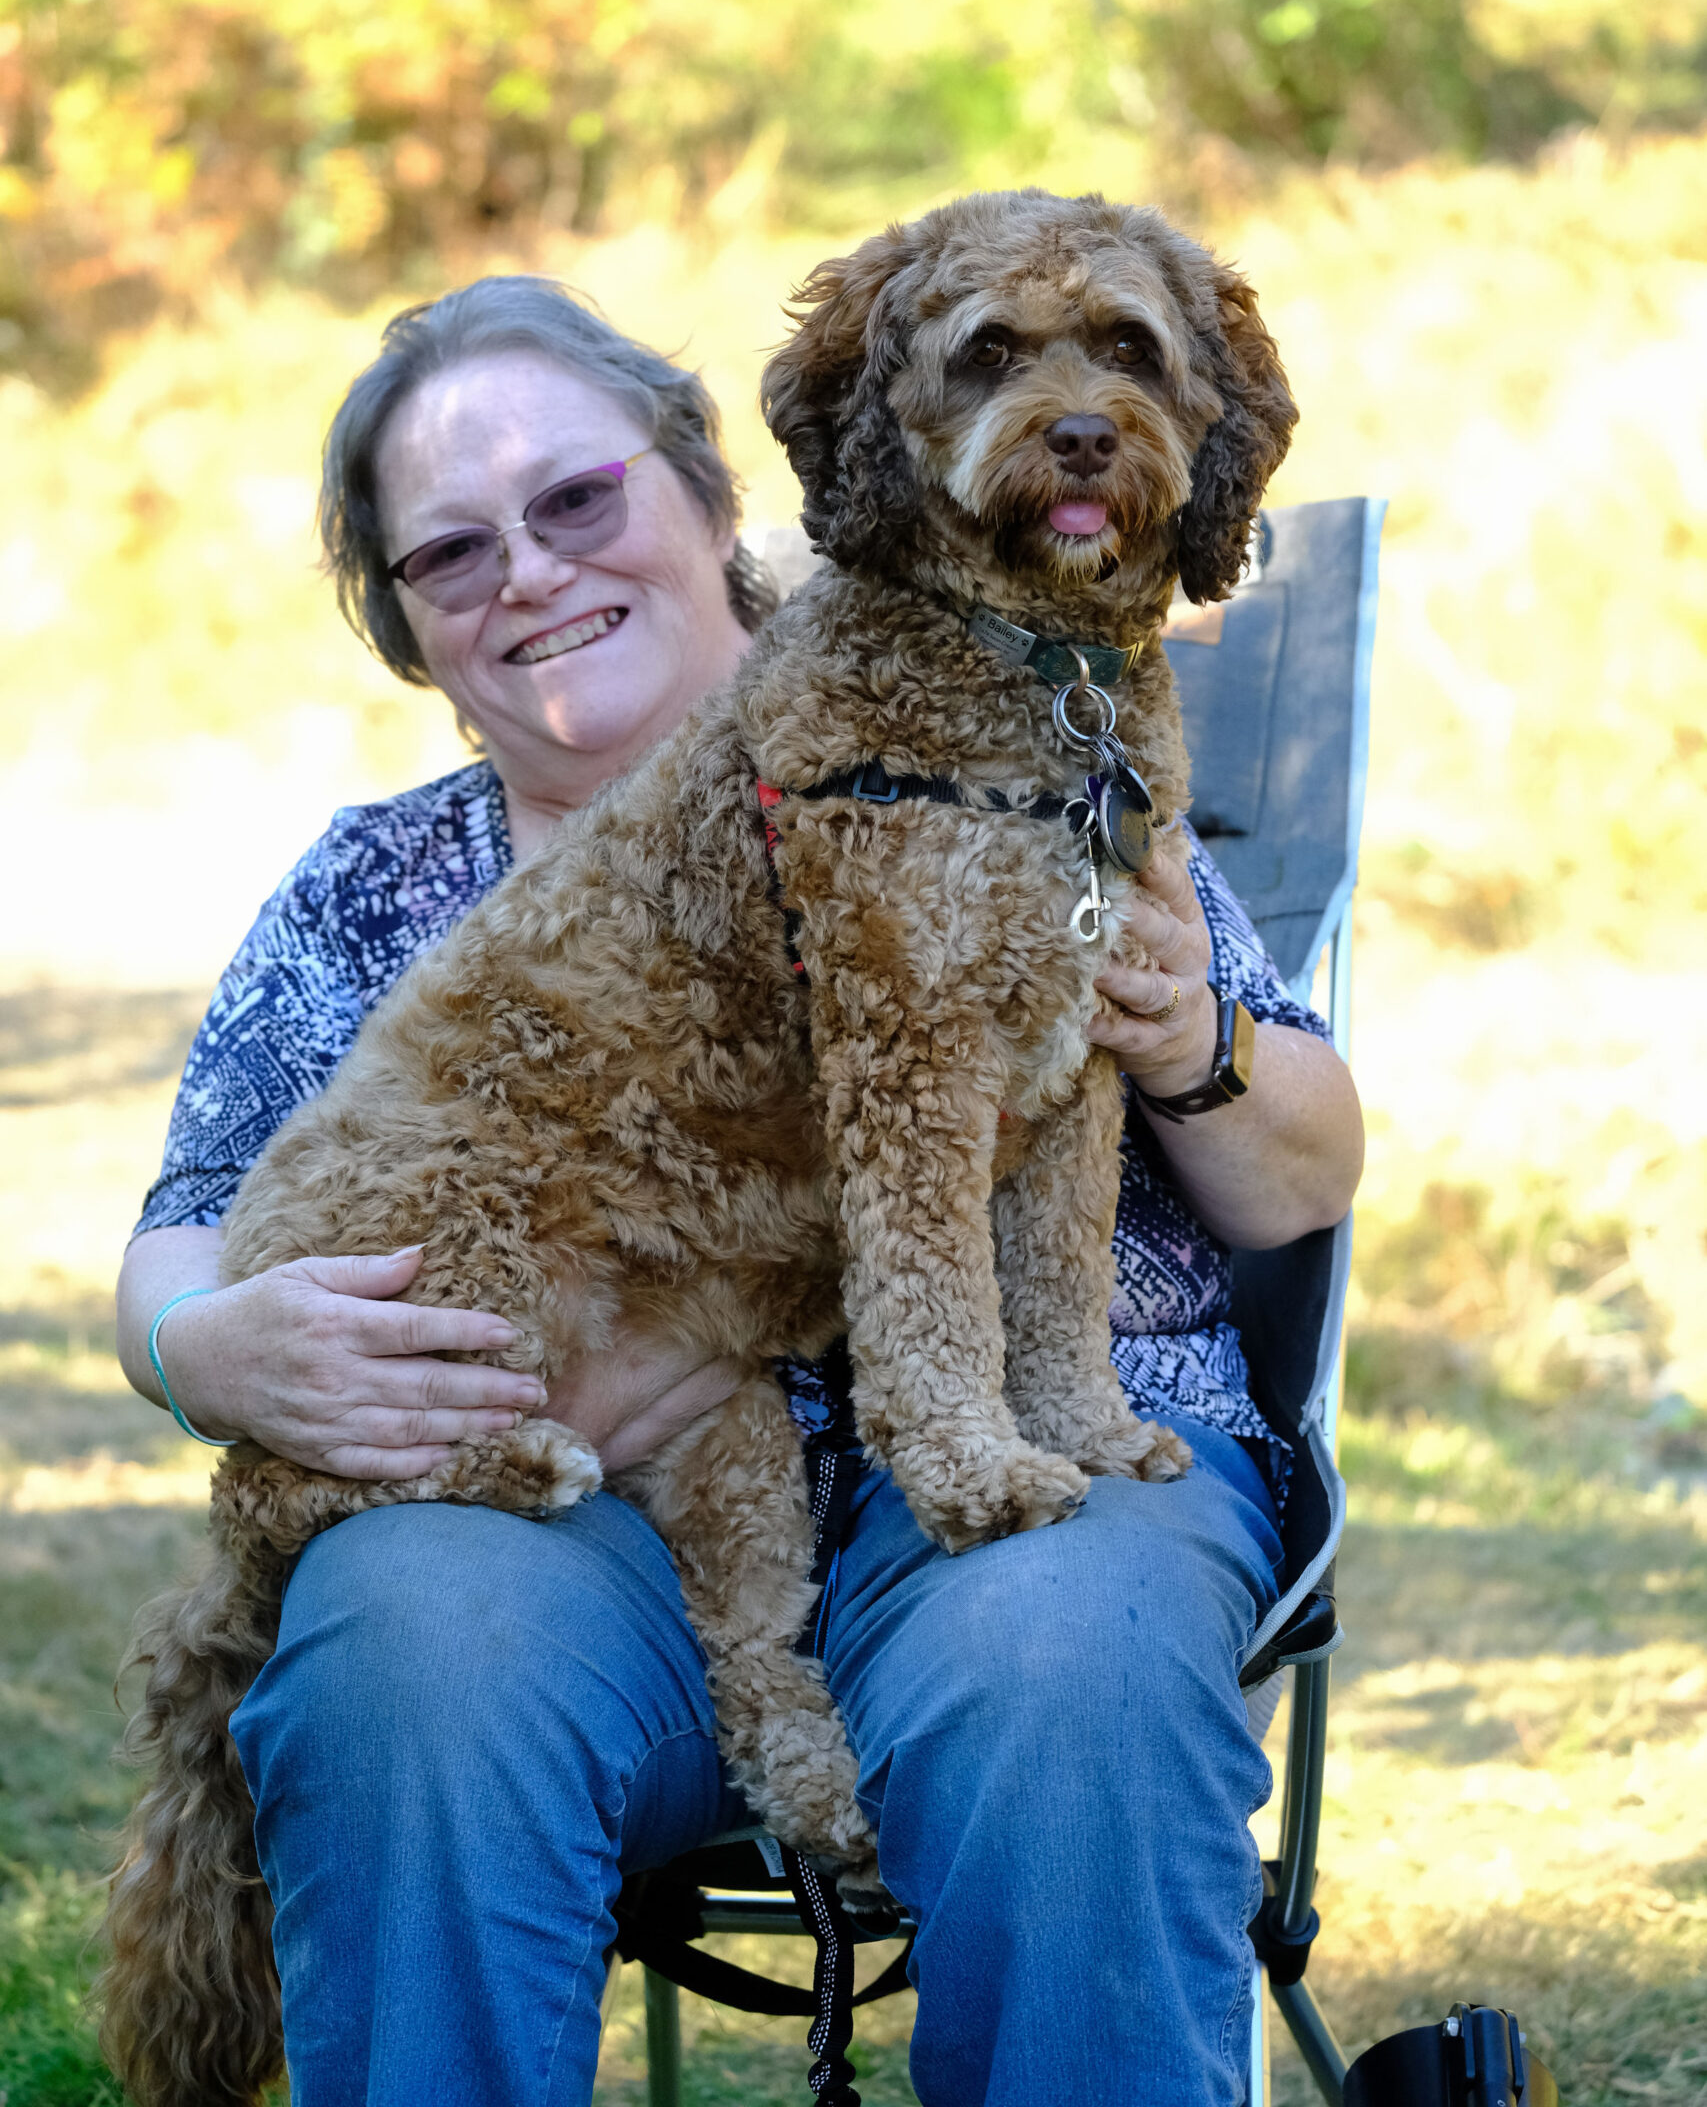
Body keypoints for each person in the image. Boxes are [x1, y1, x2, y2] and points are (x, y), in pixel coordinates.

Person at [116, 273, 1364, 2107]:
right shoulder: (375, 890)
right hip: (584, 1519)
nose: (530, 574)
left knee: (1068, 1657)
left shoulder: (1025, 718)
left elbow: (1306, 1173)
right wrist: (205, 1355)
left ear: (708, 497)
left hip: (1051, 1458)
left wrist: (1186, 1042)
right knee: (412, 1649)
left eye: (577, 502)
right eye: (451, 557)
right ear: (407, 630)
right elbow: (187, 1227)